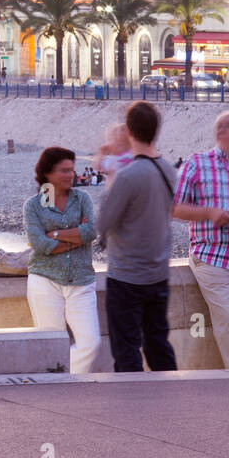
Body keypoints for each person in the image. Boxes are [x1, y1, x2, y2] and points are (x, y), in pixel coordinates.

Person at [95, 101, 178, 372]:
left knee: (127, 348)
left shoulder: (128, 176)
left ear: (129, 131)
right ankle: (170, 401)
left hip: (126, 275)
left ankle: (132, 409)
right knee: (158, 345)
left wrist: (109, 181)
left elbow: (104, 221)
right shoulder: (168, 169)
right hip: (159, 272)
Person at [173, 111, 229, 368]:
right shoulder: (196, 164)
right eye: (222, 127)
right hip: (212, 255)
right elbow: (175, 208)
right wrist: (209, 213)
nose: (225, 132)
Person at [23, 147, 101, 373]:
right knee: (51, 347)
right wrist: (77, 235)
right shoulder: (33, 205)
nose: (71, 175)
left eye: (72, 170)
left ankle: (65, 377)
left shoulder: (82, 198)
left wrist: (56, 234)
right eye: (64, 171)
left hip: (81, 282)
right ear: (47, 174)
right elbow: (40, 244)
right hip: (45, 281)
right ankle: (59, 390)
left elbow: (92, 232)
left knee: (91, 344)